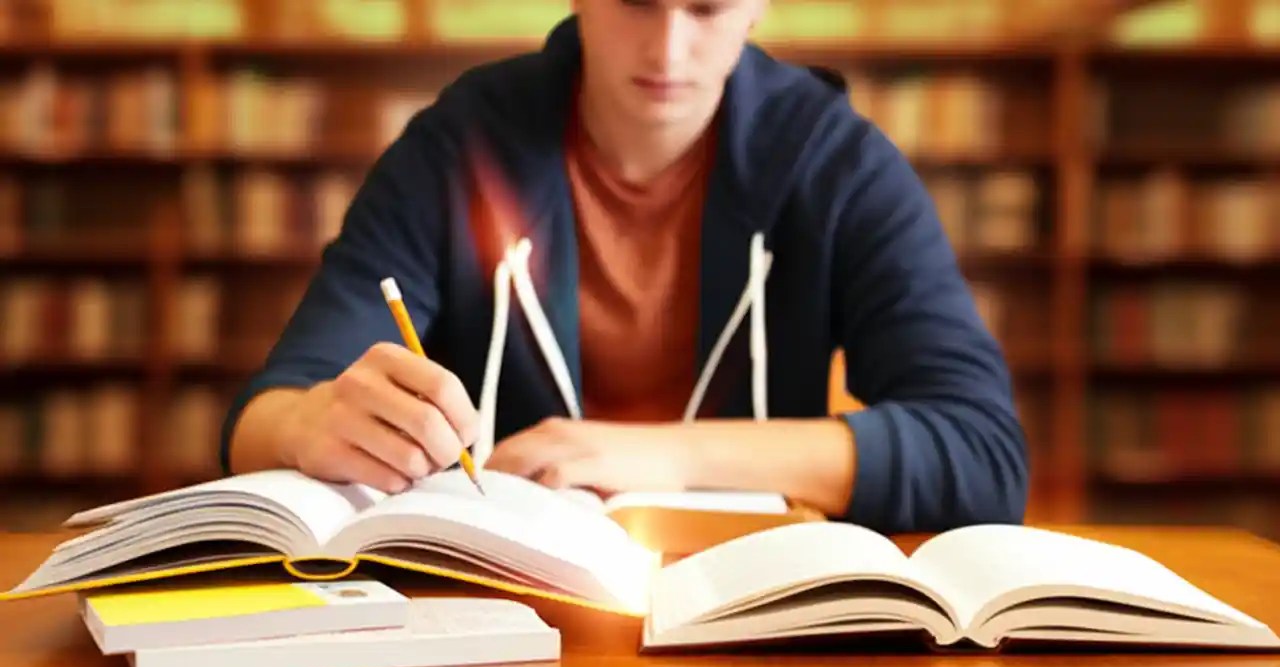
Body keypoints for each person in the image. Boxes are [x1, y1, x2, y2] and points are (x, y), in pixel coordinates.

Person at [221, 0, 1029, 534]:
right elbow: (264, 415)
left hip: (744, 610)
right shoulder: (460, 145)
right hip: (503, 617)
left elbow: (982, 450)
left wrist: (660, 453)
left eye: (708, 4)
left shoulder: (833, 162)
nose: (668, 46)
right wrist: (308, 424)